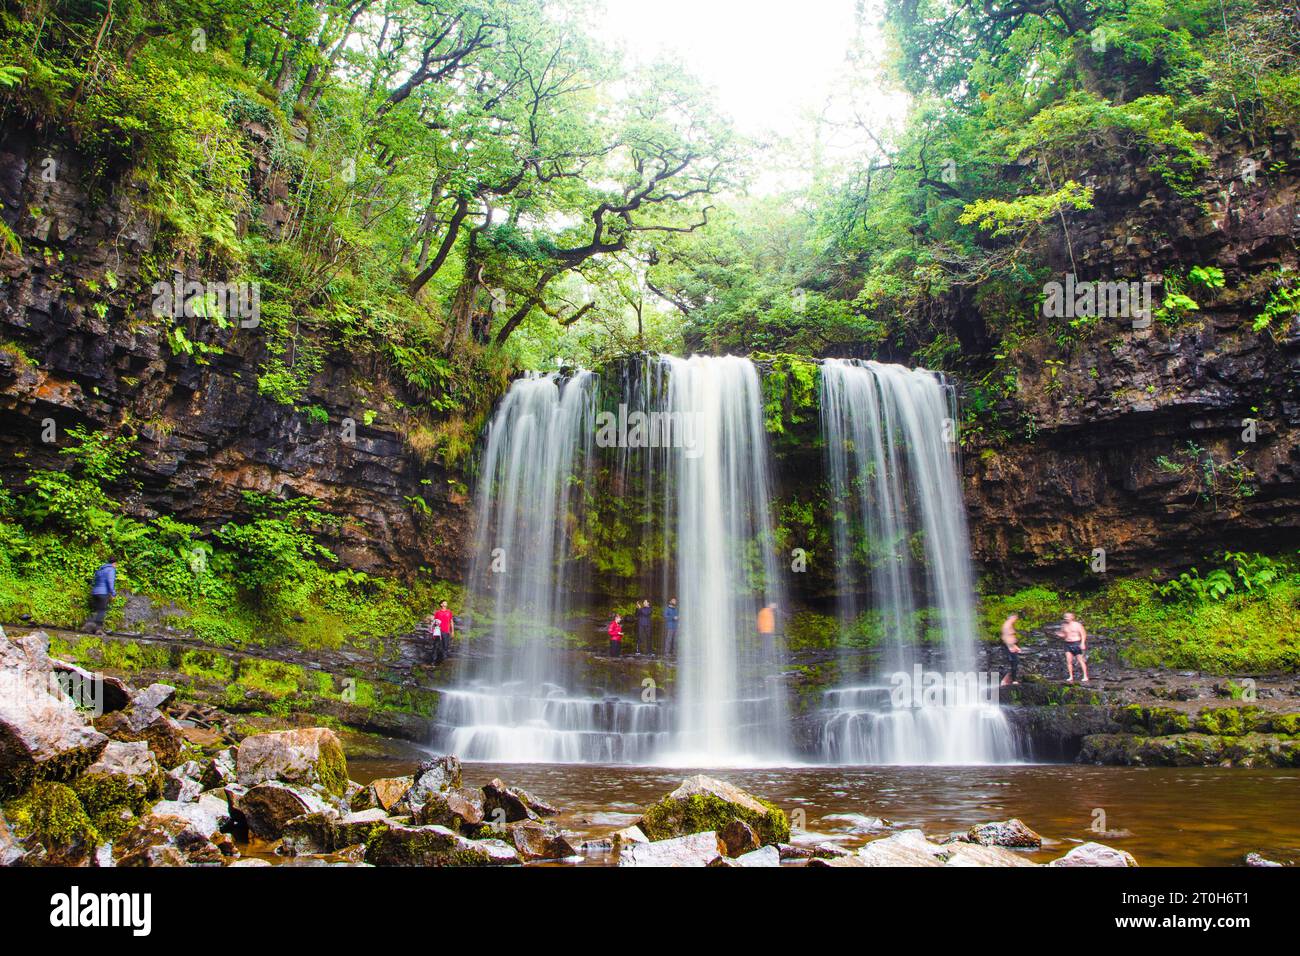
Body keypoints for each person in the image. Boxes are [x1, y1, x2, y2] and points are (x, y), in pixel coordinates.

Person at [84, 557, 118, 634]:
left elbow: (94, 581)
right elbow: (110, 582)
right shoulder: (111, 570)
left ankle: (89, 627)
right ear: (114, 563)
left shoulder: (101, 569)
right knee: (102, 611)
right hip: (103, 593)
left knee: (97, 610)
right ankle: (98, 630)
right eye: (116, 565)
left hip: (95, 592)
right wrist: (113, 593)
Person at [1062, 611, 1089, 683]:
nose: (1066, 618)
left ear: (1072, 617)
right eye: (1065, 617)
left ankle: (1085, 676)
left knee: (1080, 660)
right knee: (1068, 661)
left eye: (1068, 616)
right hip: (1067, 643)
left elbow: (1083, 634)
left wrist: (1082, 643)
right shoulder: (1064, 625)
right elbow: (1064, 634)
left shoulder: (1077, 625)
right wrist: (1061, 635)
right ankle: (1071, 676)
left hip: (1076, 643)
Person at [1000, 613, 1022, 686]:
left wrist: (1015, 646)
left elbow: (1009, 637)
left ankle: (1011, 680)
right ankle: (1008, 680)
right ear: (1011, 617)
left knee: (1015, 662)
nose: (1015, 619)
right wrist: (1011, 647)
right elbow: (1006, 637)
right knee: (1014, 662)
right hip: (1009, 647)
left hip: (1011, 646)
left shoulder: (1008, 625)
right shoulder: (1007, 625)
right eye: (1015, 618)